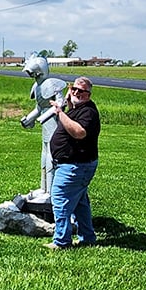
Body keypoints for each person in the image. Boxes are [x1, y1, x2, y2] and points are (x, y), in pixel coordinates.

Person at [44, 76, 101, 249]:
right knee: (80, 203)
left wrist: (60, 112)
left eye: (81, 91)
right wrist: (68, 102)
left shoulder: (88, 112)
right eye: (73, 88)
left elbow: (79, 132)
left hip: (76, 166)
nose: (76, 92)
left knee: (60, 199)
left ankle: (62, 241)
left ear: (88, 94)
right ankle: (88, 237)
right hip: (75, 165)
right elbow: (73, 112)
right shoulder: (77, 107)